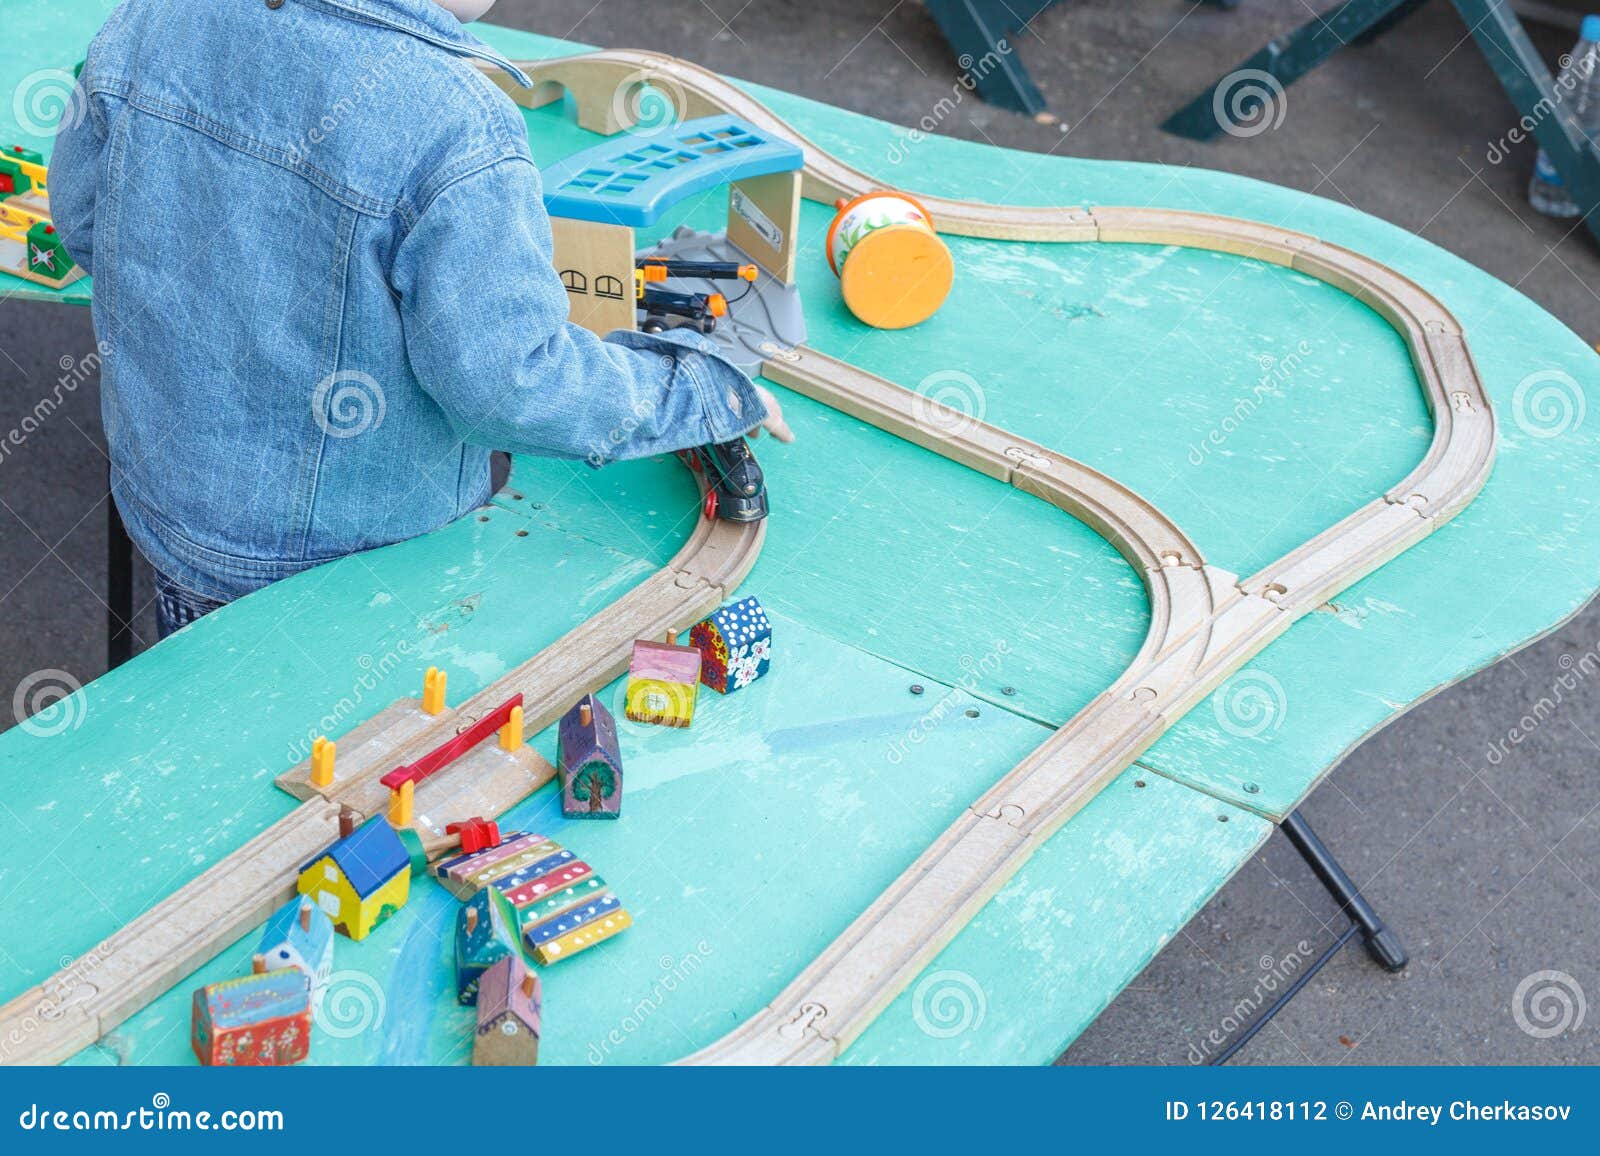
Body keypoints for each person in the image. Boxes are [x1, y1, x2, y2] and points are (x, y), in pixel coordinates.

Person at [48, 0, 793, 639]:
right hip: (355, 571)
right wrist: (702, 390)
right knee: (345, 775)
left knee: (216, 756)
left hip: (167, 507)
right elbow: (509, 388)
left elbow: (86, 227)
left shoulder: (148, 21)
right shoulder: (454, 125)